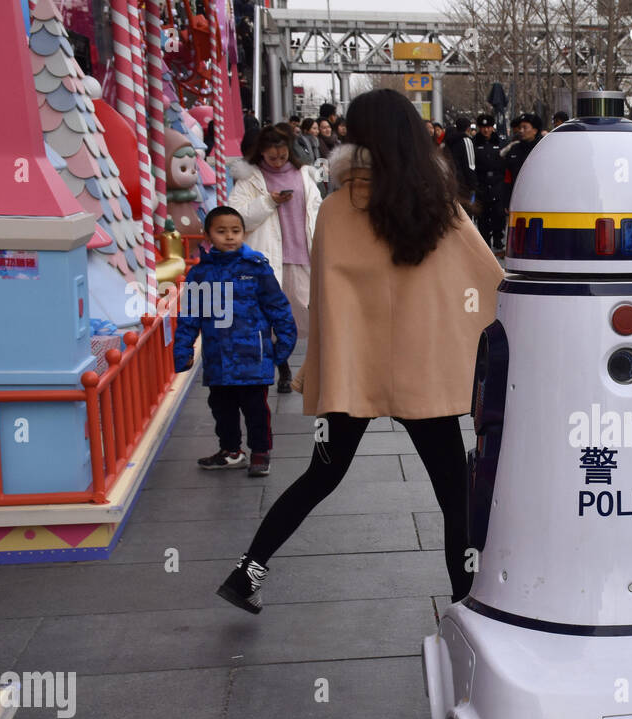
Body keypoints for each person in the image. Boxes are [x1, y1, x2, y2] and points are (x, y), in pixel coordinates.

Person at [217, 89, 505, 614]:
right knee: (453, 494)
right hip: (426, 378)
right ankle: (465, 602)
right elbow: (488, 277)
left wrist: (320, 369)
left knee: (320, 476)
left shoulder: (335, 210)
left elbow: (329, 303)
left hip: (355, 375)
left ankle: (248, 571)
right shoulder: (438, 207)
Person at [174, 206, 296, 478]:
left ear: (243, 232)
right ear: (208, 235)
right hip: (218, 357)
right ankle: (230, 451)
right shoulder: (200, 274)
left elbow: (278, 307)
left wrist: (284, 343)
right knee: (221, 408)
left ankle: (260, 453)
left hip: (253, 356)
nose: (229, 236)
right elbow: (189, 315)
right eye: (221, 231)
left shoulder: (256, 268)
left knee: (255, 410)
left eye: (235, 231)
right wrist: (182, 349)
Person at [227, 125, 323, 393]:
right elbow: (235, 218)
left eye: (282, 156)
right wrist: (269, 202)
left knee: (306, 315)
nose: (278, 161)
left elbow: (316, 211)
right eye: (272, 158)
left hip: (302, 255)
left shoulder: (304, 175)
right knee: (271, 318)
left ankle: (304, 367)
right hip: (266, 258)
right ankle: (283, 368)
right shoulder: (250, 179)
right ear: (262, 154)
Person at [473, 114, 507, 251]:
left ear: (492, 128)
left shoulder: (500, 142)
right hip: (482, 183)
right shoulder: (474, 142)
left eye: (488, 127)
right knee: (483, 215)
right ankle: (485, 241)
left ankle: (498, 237)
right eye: (483, 127)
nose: (486, 130)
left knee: (499, 214)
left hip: (498, 183)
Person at [501, 112, 544, 207]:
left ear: (535, 130)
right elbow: (508, 177)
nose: (521, 131)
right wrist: (506, 200)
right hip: (517, 200)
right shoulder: (514, 149)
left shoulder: (543, 149)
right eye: (520, 128)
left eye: (525, 127)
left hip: (539, 201)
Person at [443, 115, 478, 202]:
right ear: (468, 128)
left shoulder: (449, 141)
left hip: (452, 181)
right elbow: (471, 165)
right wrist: (473, 185)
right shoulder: (467, 141)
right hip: (464, 183)